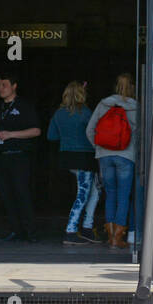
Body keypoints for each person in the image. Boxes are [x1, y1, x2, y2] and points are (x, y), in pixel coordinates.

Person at [86, 73, 138, 249]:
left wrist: (99, 148)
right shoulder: (135, 107)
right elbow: (141, 135)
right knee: (124, 196)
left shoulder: (104, 104)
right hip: (126, 156)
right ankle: (118, 238)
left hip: (105, 156)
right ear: (132, 87)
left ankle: (110, 236)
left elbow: (90, 129)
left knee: (110, 194)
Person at [0, 73, 41, 242]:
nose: (0, 89)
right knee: (6, 196)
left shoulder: (24, 106)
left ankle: (31, 231)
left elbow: (36, 131)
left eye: (4, 85)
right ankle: (15, 230)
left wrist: (11, 134)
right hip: (0, 157)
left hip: (19, 157)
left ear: (14, 86)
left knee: (22, 193)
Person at [47, 80, 100, 245]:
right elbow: (95, 134)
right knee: (85, 194)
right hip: (84, 157)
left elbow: (51, 136)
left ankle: (87, 228)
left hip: (67, 157)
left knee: (93, 190)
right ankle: (71, 230)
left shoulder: (58, 113)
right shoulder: (85, 112)